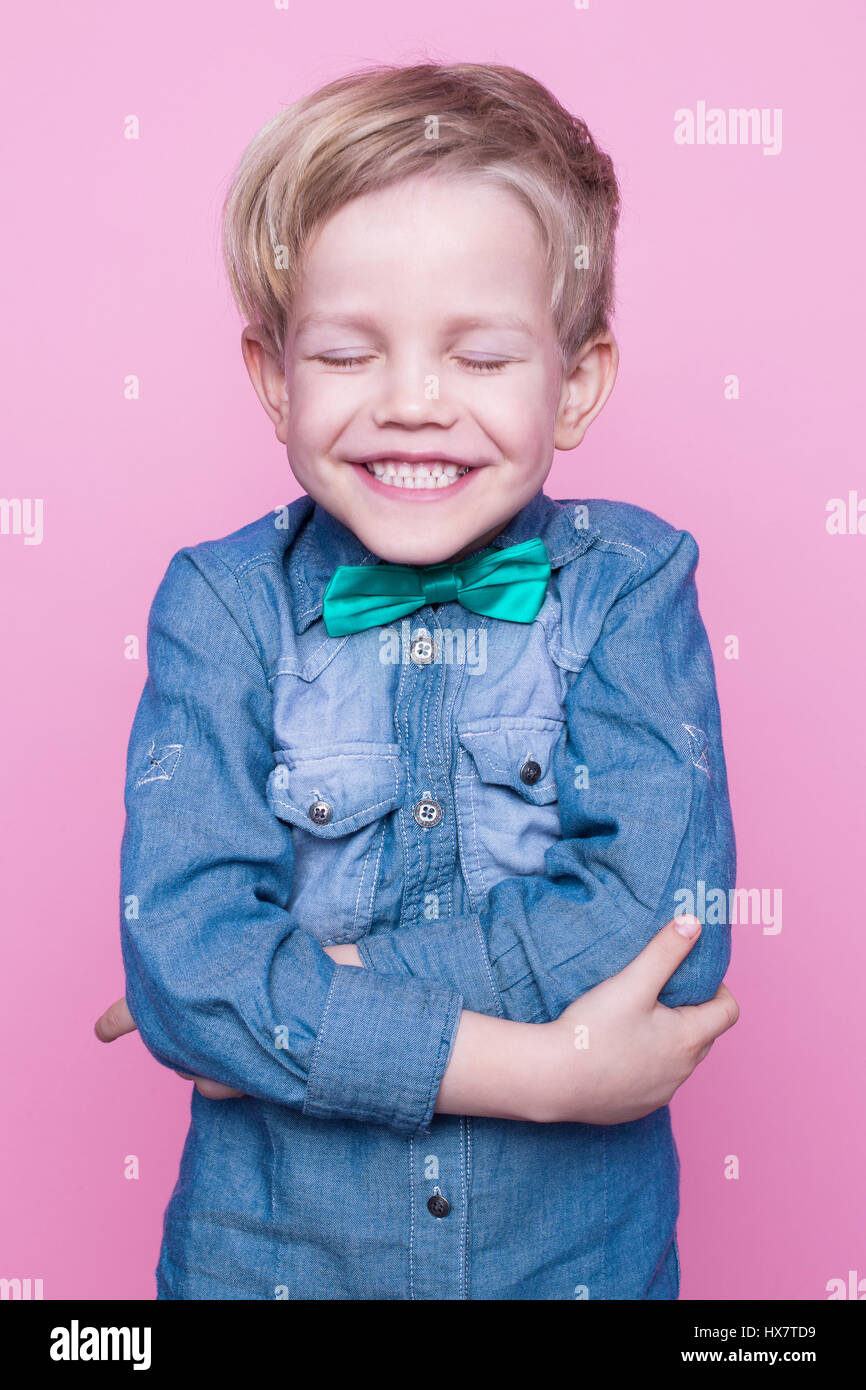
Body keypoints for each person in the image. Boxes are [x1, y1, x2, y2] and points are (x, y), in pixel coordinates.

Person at [94, 61, 739, 1300]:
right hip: (269, 1265)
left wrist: (294, 1006)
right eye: (346, 354)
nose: (410, 404)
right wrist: (541, 1070)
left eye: (480, 358)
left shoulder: (632, 584)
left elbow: (666, 930)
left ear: (579, 380)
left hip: (572, 1268)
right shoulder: (219, 606)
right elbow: (187, 964)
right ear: (277, 378)